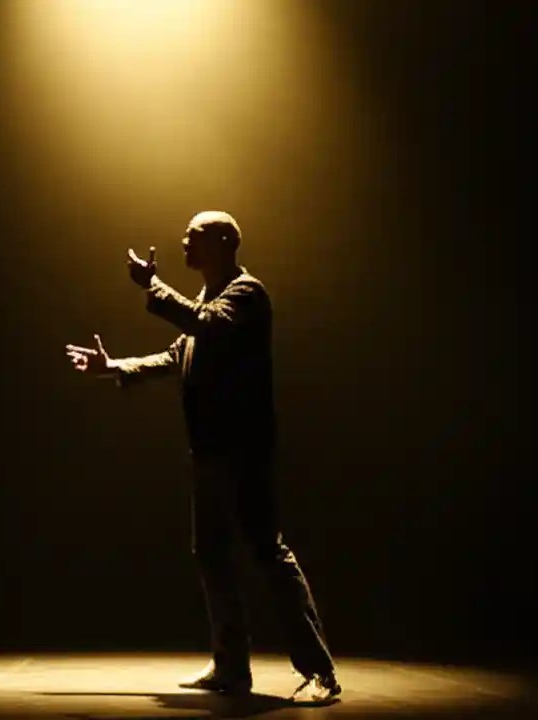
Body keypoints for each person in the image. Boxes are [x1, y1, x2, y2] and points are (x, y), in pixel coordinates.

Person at [65, 211, 341, 704]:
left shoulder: (245, 295)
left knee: (266, 555)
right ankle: (231, 668)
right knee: (212, 556)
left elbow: (205, 327)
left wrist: (153, 286)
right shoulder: (206, 300)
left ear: (223, 242)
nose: (183, 241)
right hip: (209, 453)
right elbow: (176, 354)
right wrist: (115, 366)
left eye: (193, 235)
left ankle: (319, 670)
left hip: (242, 453)